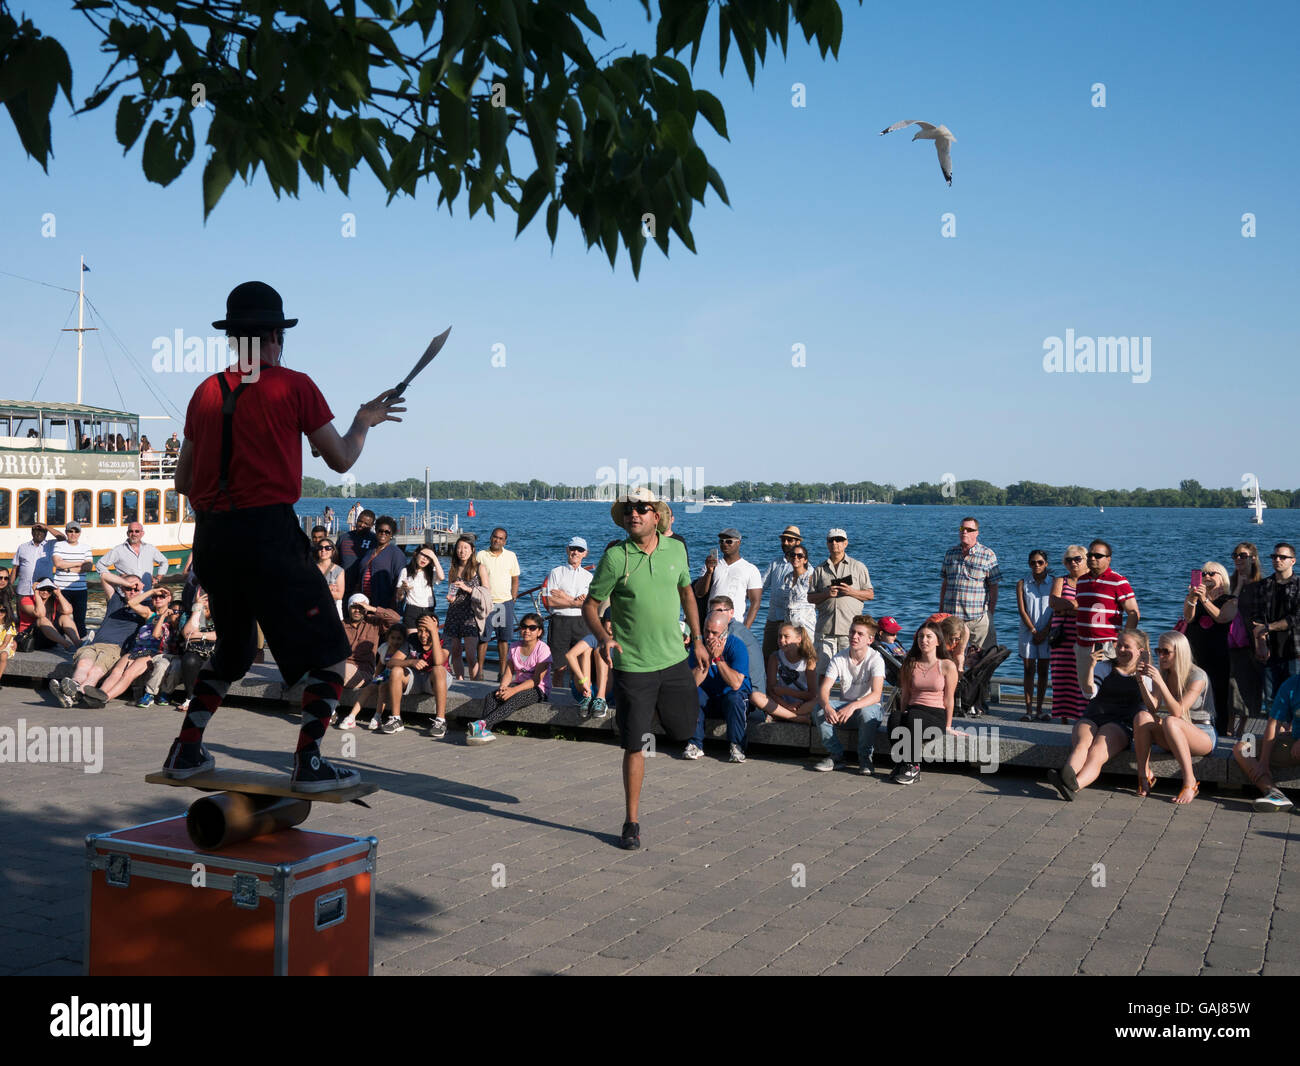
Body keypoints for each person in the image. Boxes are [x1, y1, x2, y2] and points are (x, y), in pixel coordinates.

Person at [161, 280, 404, 791]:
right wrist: (364, 421)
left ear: (232, 338)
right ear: (276, 335)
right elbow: (340, 458)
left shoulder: (204, 391)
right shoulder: (295, 385)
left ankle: (185, 750)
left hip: (212, 538)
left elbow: (183, 481)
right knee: (332, 652)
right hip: (268, 533)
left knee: (234, 647)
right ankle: (309, 761)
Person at [584, 488, 706, 851]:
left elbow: (687, 594)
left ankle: (652, 711)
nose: (633, 514)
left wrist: (697, 638)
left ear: (657, 516)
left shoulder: (677, 550)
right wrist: (603, 638)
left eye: (641, 509)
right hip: (633, 666)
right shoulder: (614, 557)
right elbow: (590, 606)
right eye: (628, 510)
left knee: (685, 730)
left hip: (673, 660)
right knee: (634, 743)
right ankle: (631, 822)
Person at [1046, 630, 1156, 801]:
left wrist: (1141, 675)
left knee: (1097, 752)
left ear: (1141, 651)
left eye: (1127, 646)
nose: (1121, 649)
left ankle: (1073, 786)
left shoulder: (1149, 674)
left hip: (1120, 723)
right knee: (1083, 743)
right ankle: (1068, 775)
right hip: (1094, 716)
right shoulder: (1105, 667)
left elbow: (1151, 705)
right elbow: (1089, 693)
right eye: (1118, 645)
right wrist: (1089, 667)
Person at [1133, 631, 1215, 805]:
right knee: (1142, 717)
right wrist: (1141, 681)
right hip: (1174, 732)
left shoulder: (1197, 676)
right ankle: (1144, 774)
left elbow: (1178, 712)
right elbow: (1152, 707)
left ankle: (1190, 781)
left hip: (1202, 733)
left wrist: (1160, 682)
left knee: (1171, 720)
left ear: (1180, 652)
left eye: (1166, 651)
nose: (1161, 656)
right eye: (1158, 651)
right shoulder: (1164, 673)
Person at [813, 614, 886, 774]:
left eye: (860, 634)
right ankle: (836, 755)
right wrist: (827, 707)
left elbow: (876, 694)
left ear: (870, 640)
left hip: (870, 709)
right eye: (852, 632)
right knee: (818, 709)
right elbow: (824, 689)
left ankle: (865, 758)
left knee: (867, 712)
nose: (854, 636)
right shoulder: (839, 658)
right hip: (845, 711)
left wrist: (853, 706)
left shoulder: (876, 659)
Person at [889, 621, 959, 786]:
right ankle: (902, 763)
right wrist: (902, 716)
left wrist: (948, 725)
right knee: (894, 718)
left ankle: (913, 767)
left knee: (914, 717)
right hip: (913, 711)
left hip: (935, 715)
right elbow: (905, 695)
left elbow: (949, 699)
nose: (924, 640)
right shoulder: (910, 664)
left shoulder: (947, 665)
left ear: (938, 641)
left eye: (929, 637)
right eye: (921, 636)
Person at [466, 613, 552, 745]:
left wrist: (513, 691)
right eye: (524, 627)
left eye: (532, 628)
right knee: (492, 696)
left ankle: (482, 724)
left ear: (539, 631)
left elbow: (536, 680)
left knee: (515, 699)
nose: (527, 631)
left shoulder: (543, 649)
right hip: (518, 684)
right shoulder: (514, 647)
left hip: (538, 689)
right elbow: (509, 672)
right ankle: (485, 731)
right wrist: (503, 687)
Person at [685, 609, 757, 763]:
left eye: (714, 633)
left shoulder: (737, 646)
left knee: (735, 697)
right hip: (709, 698)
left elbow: (736, 683)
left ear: (725, 632)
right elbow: (693, 683)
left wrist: (718, 658)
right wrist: (707, 656)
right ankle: (695, 744)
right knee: (693, 693)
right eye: (706, 631)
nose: (709, 637)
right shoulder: (698, 647)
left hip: (731, 697)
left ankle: (737, 745)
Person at [83, 586, 175, 704]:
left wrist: (164, 615)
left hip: (154, 652)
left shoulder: (172, 616)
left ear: (169, 599)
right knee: (116, 671)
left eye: (162, 596)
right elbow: (131, 602)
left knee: (128, 673)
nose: (158, 598)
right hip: (137, 649)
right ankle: (98, 694)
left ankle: (105, 698)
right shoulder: (149, 614)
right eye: (155, 596)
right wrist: (152, 591)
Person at [1073, 539, 1140, 695]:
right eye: (1089, 555)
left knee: (1108, 690)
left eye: (1098, 555)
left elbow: (1133, 613)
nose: (1092, 559)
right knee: (1086, 690)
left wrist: (1122, 641)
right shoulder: (1082, 581)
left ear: (1108, 559)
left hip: (1106, 646)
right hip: (1083, 644)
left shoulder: (1118, 581)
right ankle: (1089, 718)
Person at [1181, 560, 1235, 736]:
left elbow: (1221, 617)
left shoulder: (1230, 600)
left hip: (1218, 655)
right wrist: (1192, 597)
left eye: (1212, 573)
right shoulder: (1196, 599)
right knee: (1190, 691)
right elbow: (1188, 618)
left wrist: (1204, 599)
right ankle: (1188, 728)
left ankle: (1219, 731)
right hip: (1195, 653)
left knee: (1219, 694)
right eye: (1203, 574)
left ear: (1223, 577)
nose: (1207, 577)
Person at [1232, 674, 1300, 812]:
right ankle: (1273, 793)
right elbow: (1274, 723)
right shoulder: (1291, 684)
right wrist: (1263, 762)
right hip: (1293, 745)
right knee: (1243, 747)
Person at [939, 517, 1002, 666]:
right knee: (950, 661)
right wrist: (940, 611)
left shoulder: (988, 554)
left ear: (977, 533)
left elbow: (994, 587)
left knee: (982, 664)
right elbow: (945, 584)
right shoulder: (950, 553)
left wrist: (990, 614)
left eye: (969, 529)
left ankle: (981, 690)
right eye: (962, 529)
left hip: (978, 620)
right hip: (952, 620)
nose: (964, 532)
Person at [807, 528, 874, 665]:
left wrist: (851, 592)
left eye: (839, 539)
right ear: (827, 544)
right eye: (831, 540)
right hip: (825, 631)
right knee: (822, 671)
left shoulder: (858, 567)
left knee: (851, 671)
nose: (835, 543)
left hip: (850, 631)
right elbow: (810, 598)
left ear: (846, 543)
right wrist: (826, 594)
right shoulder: (819, 570)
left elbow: (870, 594)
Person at [334, 594, 403, 726]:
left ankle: (331, 707)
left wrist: (371, 608)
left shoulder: (374, 623)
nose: (357, 610)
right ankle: (333, 711)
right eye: (354, 607)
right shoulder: (342, 625)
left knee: (336, 672)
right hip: (342, 668)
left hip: (363, 670)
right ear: (348, 608)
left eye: (360, 607)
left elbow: (396, 619)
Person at [1248, 542, 1300, 711]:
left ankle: (1293, 736)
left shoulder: (1299, 586)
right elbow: (1255, 618)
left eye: (1282, 557)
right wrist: (1260, 643)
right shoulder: (1264, 586)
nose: (1277, 560)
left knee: (1295, 698)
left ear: (1293, 561)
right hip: (1271, 652)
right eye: (1274, 556)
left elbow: (1296, 619)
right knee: (1271, 699)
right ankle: (1273, 736)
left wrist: (1269, 627)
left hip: (1295, 651)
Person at [1047, 546, 1089, 724]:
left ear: (1086, 559)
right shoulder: (1060, 580)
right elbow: (1053, 603)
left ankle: (1083, 714)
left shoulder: (1090, 581)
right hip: (1062, 637)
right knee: (1062, 675)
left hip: (1082, 635)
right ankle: (1064, 714)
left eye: (1077, 559)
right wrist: (1077, 606)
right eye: (1068, 560)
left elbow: (1091, 605)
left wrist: (1067, 607)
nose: (1073, 563)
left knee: (1083, 673)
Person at [543, 537, 593, 685]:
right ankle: (557, 696)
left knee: (580, 666)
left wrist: (564, 597)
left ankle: (576, 697)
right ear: (567, 550)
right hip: (560, 622)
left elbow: (588, 604)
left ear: (585, 553)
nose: (575, 552)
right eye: (573, 549)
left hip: (581, 623)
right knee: (559, 667)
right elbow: (550, 600)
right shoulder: (556, 572)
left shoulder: (589, 577)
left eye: (580, 550)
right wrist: (575, 602)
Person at [694, 528, 762, 630]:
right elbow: (699, 593)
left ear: (738, 543)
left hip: (735, 623)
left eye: (729, 541)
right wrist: (709, 572)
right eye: (721, 541)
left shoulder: (750, 569)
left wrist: (745, 629)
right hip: (712, 622)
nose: (724, 544)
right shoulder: (711, 565)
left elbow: (755, 602)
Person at [1228, 542, 1264, 737]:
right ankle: (1230, 726)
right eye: (1235, 555)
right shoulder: (1232, 582)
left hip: (1252, 642)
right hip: (1233, 642)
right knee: (1232, 686)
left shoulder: (1261, 585)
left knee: (1251, 686)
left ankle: (1246, 729)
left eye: (1242, 555)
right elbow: (1228, 608)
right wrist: (1239, 586)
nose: (1238, 559)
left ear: (1253, 558)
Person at [476, 527, 521, 681]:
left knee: (503, 639)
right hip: (486, 603)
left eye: (501, 538)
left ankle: (502, 672)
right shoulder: (481, 555)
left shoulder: (511, 556)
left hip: (504, 602)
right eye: (495, 537)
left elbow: (515, 578)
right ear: (490, 538)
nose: (497, 540)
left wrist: (513, 598)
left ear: (505, 541)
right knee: (483, 638)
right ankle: (479, 671)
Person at [443, 534, 490, 680]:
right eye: (459, 548)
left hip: (471, 614)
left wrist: (467, 588)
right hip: (454, 613)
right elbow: (452, 589)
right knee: (455, 652)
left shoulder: (479, 567)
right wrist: (451, 598)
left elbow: (487, 592)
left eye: (465, 548)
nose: (461, 551)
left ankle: (474, 684)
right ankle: (460, 680)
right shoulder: (454, 568)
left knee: (470, 654)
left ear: (472, 550)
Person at [751, 623, 818, 724]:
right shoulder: (775, 657)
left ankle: (783, 715)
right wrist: (787, 705)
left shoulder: (809, 661)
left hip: (802, 703)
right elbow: (771, 689)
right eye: (779, 636)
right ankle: (797, 717)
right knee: (755, 696)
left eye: (786, 637)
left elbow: (812, 695)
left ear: (798, 639)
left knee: (819, 701)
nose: (781, 640)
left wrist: (786, 691)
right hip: (781, 702)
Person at [1017, 550, 1054, 721]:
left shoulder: (1054, 583)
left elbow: (1055, 609)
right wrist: (1033, 630)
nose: (1036, 565)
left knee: (1043, 671)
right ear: (1029, 564)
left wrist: (1045, 631)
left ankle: (1040, 709)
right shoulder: (1023, 583)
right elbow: (1022, 610)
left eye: (1040, 562)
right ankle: (1028, 710)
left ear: (1046, 563)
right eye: (1033, 562)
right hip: (1028, 631)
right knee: (1028, 670)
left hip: (1048, 631)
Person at [707, 595, 766, 697]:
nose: (716, 614)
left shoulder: (733, 633)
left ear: (731, 612)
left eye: (720, 611)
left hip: (752, 690)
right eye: (712, 611)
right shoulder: (736, 628)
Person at [759, 526, 803, 659]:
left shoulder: (804, 566)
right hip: (773, 620)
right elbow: (761, 586)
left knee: (793, 660)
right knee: (767, 657)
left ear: (798, 542)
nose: (785, 543)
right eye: (783, 540)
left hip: (793, 622)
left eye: (789, 540)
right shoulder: (775, 563)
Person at [96, 521, 168, 600]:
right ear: (127, 533)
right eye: (131, 531)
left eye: (137, 531)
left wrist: (158, 578)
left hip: (146, 594)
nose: (134, 534)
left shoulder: (150, 548)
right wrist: (116, 580)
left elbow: (164, 562)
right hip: (127, 594)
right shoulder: (118, 550)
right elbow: (100, 564)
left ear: (142, 533)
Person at [351, 515, 406, 610]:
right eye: (380, 531)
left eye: (387, 532)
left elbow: (400, 580)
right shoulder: (370, 550)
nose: (383, 534)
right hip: (364, 601)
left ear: (391, 534)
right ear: (376, 531)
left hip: (383, 603)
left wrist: (394, 606)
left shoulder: (396, 553)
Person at [50, 521, 94, 639]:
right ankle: (58, 642)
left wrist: (68, 569)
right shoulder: (59, 545)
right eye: (70, 531)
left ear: (80, 533)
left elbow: (89, 567)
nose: (73, 534)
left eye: (76, 531)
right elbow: (58, 563)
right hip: (61, 589)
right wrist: (79, 563)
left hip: (80, 589)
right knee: (60, 616)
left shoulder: (85, 547)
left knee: (80, 619)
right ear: (66, 532)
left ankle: (82, 643)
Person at [396, 546, 445, 633]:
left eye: (428, 558)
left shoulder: (431, 572)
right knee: (413, 640)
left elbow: (441, 577)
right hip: (412, 610)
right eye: (423, 555)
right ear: (416, 554)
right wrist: (402, 588)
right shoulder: (406, 571)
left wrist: (434, 557)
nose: (425, 559)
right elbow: (399, 597)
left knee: (428, 641)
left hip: (428, 610)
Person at [26, 579, 78, 650]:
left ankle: (78, 643)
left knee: (65, 617)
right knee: (42, 619)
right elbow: (40, 614)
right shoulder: (27, 600)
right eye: (42, 589)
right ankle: (67, 645)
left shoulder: (53, 601)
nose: (45, 592)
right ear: (37, 589)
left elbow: (68, 611)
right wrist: (36, 594)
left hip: (51, 637)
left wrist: (59, 594)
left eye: (49, 589)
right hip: (32, 639)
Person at [782, 542, 816, 642]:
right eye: (793, 555)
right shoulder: (787, 578)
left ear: (805, 560)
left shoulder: (811, 577)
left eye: (800, 556)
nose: (795, 558)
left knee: (807, 655)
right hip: (789, 625)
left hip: (806, 626)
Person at [338, 509, 377, 583]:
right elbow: (336, 560)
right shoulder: (343, 537)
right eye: (360, 521)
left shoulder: (375, 540)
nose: (362, 525)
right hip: (343, 583)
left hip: (364, 585)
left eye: (366, 523)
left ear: (371, 525)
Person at [315, 537, 345, 617]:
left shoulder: (339, 570)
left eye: (327, 548)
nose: (323, 550)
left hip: (330, 611)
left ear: (333, 551)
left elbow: (339, 595)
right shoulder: (311, 568)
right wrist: (329, 589)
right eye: (320, 548)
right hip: (314, 609)